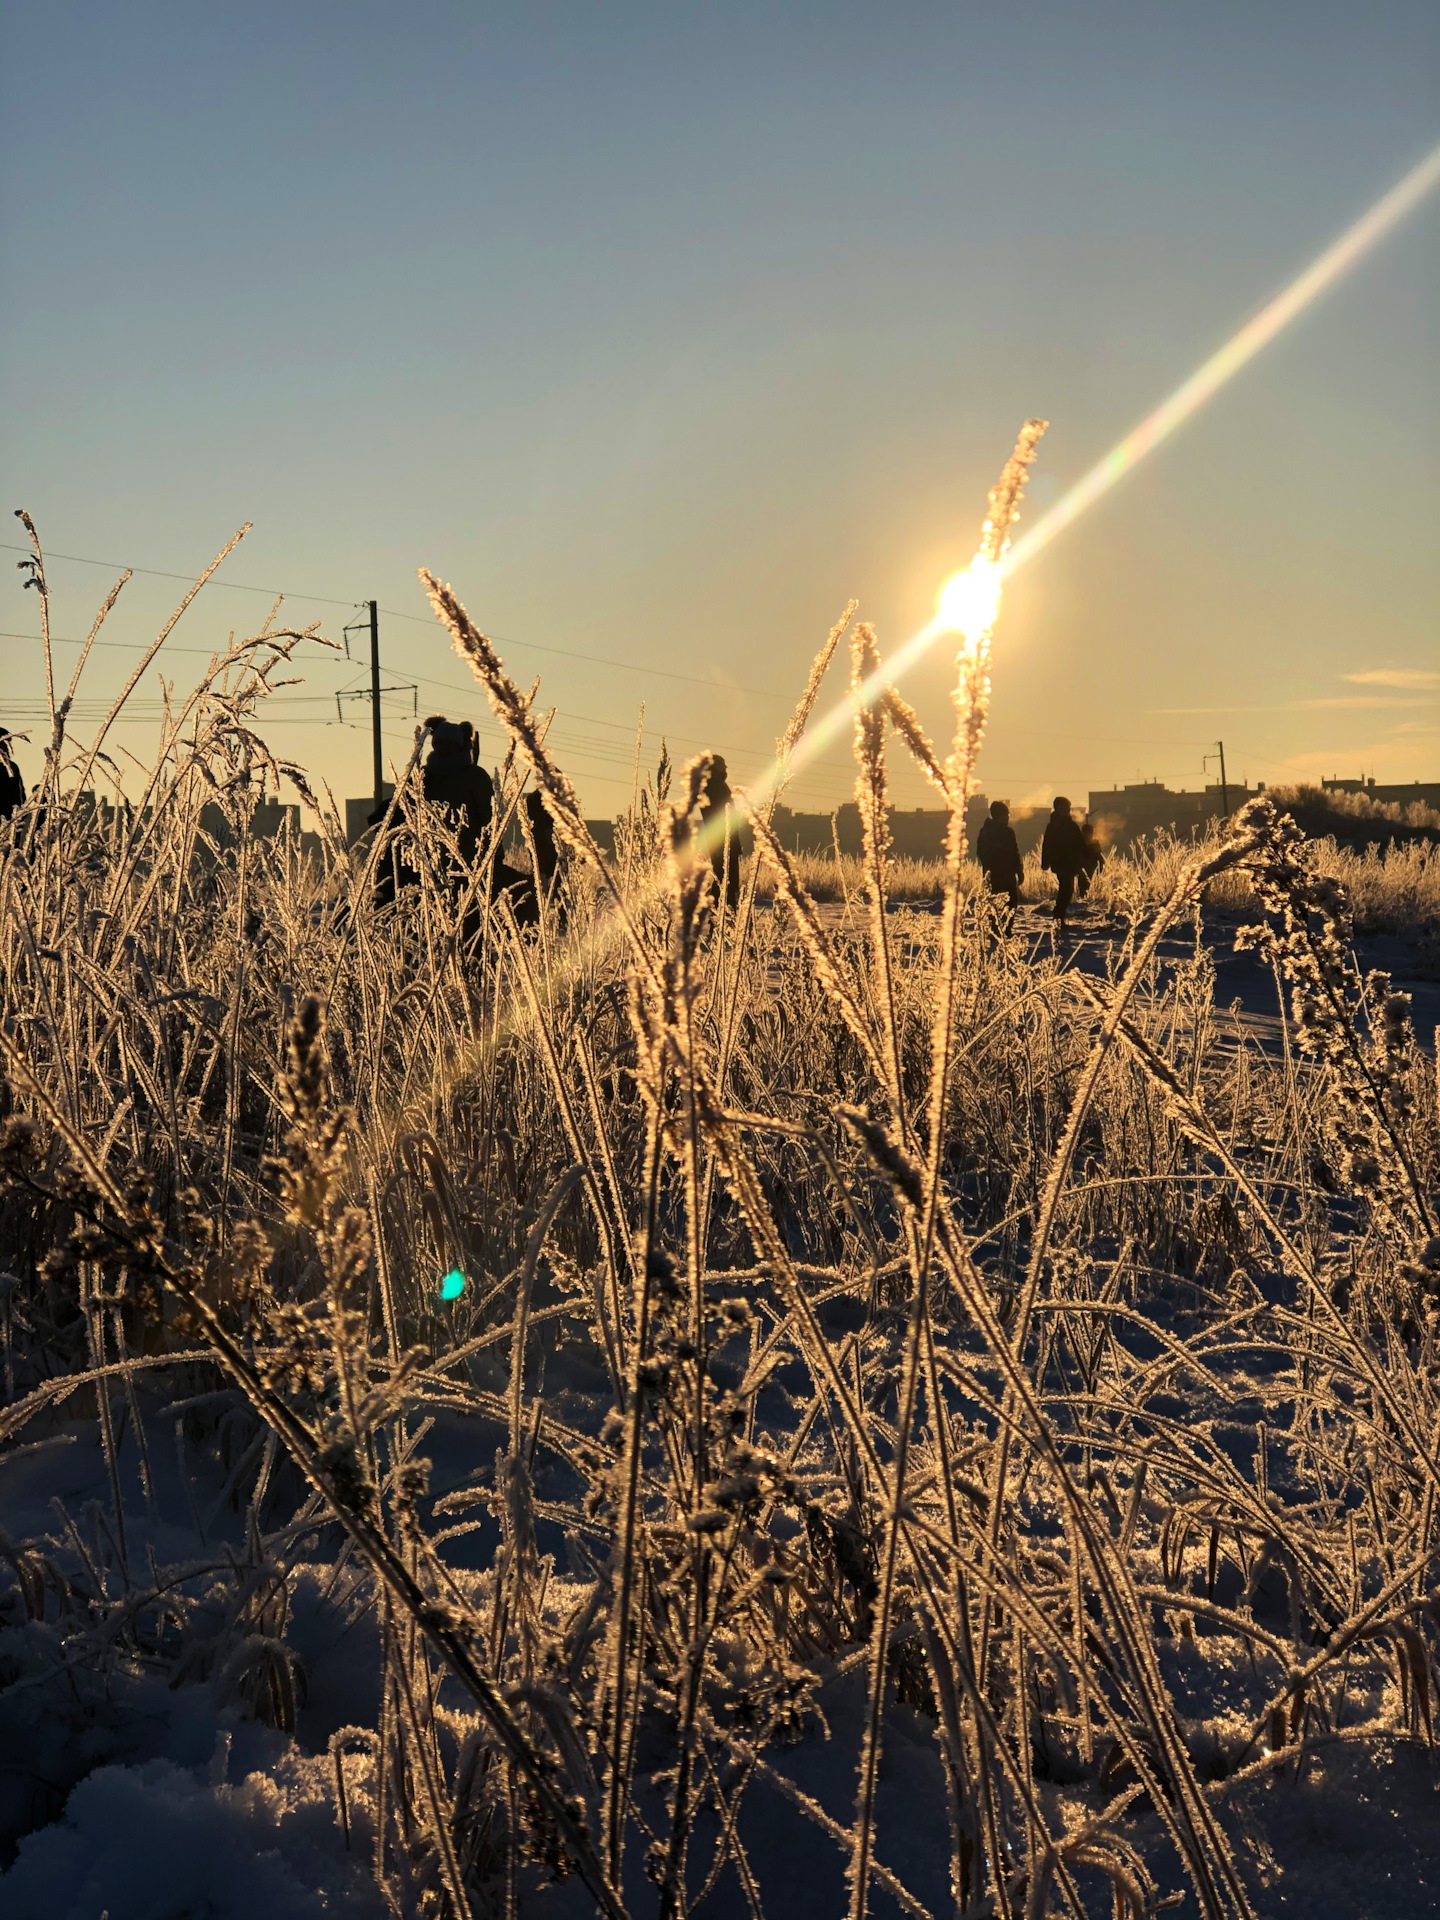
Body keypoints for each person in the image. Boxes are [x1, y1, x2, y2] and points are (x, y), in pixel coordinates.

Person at [700, 755, 740, 910]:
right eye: (723, 765)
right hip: (723, 843)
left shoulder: (715, 785)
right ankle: (721, 919)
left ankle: (723, 918)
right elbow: (717, 818)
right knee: (726, 882)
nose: (726, 768)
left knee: (725, 882)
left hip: (726, 842)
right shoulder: (714, 786)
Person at [975, 799, 1024, 919]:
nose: (1007, 818)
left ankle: (1006, 929)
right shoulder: (987, 832)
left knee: (1012, 901)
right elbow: (981, 853)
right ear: (998, 815)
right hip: (994, 875)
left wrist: (1019, 871)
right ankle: (996, 930)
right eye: (1005, 815)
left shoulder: (1008, 832)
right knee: (995, 903)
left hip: (1008, 875)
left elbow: (1015, 853)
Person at [1040, 795, 1086, 922]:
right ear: (1059, 808)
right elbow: (1047, 845)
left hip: (1070, 862)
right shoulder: (1055, 826)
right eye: (1066, 807)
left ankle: (1059, 915)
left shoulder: (1071, 826)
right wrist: (1045, 862)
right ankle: (1058, 916)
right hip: (1062, 862)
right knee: (1066, 889)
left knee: (1067, 890)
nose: (1068, 810)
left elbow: (1080, 843)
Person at [0, 731, 26, 827]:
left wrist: (20, 814)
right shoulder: (10, 767)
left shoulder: (11, 767)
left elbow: (19, 795)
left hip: (8, 817)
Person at [1077, 818, 1104, 898]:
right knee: (1082, 888)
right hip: (1082, 870)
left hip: (1092, 869)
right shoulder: (1079, 843)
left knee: (1090, 887)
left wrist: (1100, 867)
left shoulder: (1094, 844)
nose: (1088, 835)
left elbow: (1099, 857)